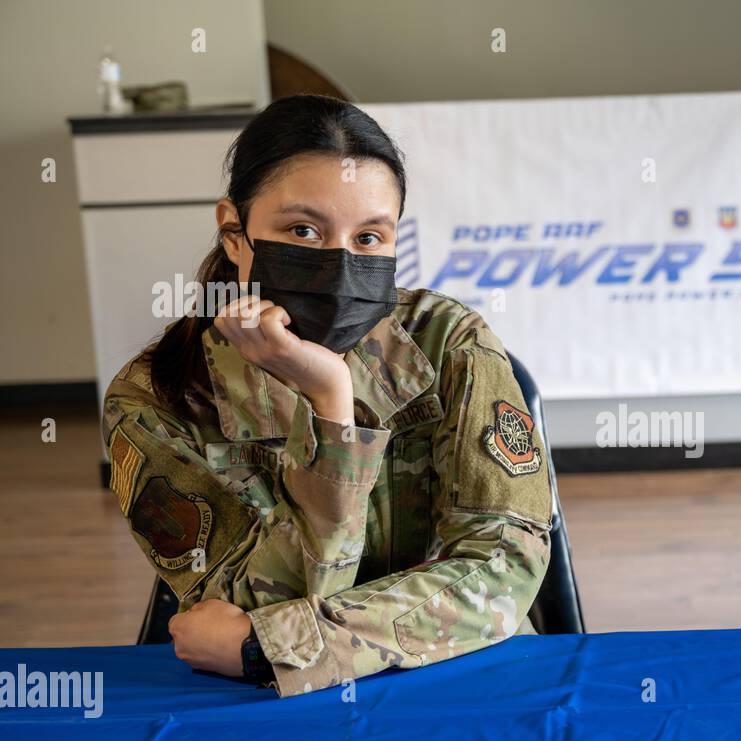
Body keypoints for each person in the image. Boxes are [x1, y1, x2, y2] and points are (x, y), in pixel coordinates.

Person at [102, 95, 553, 696]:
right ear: (235, 234)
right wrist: (330, 404)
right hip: (270, 710)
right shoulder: (157, 397)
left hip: (463, 679)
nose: (340, 264)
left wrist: (273, 647)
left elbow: (504, 568)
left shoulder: (448, 342)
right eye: (303, 230)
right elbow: (230, 611)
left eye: (369, 237)